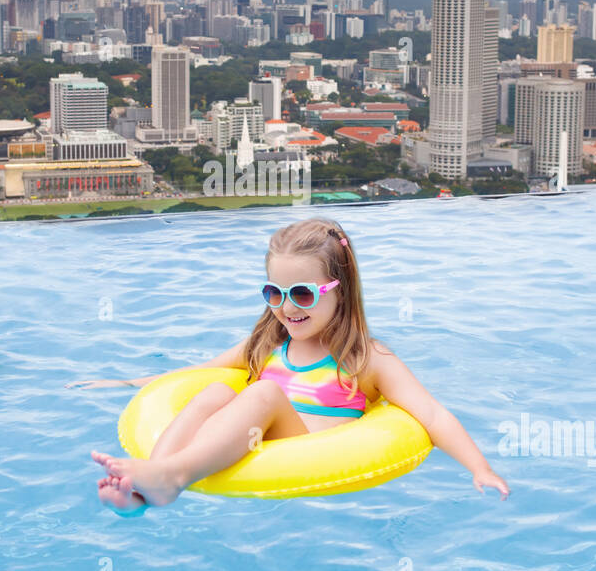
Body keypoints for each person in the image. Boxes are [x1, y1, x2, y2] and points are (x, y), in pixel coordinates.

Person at [73, 216, 510, 516]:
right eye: (273, 293)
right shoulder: (265, 343)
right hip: (257, 433)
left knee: (259, 392)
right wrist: (125, 382)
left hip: (309, 443)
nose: (286, 308)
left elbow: (431, 414)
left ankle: (170, 476)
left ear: (340, 290)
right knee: (215, 390)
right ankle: (148, 484)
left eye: (302, 294)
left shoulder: (365, 358)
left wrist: (479, 467)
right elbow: (195, 374)